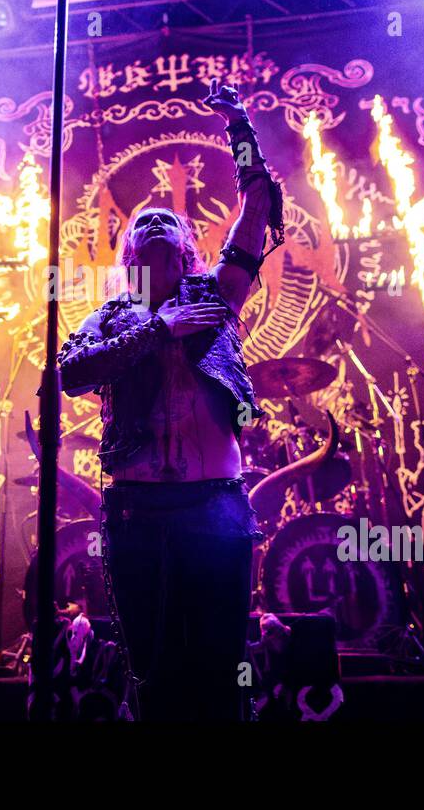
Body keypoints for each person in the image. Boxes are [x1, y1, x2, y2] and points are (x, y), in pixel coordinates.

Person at [56, 78, 284, 720]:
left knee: (219, 667)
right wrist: (157, 330)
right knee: (151, 670)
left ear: (188, 250)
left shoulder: (216, 298)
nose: (154, 221)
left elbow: (259, 205)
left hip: (214, 504)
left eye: (168, 222)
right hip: (137, 510)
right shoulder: (111, 316)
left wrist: (239, 124)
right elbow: (71, 374)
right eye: (142, 223)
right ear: (130, 255)